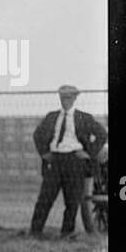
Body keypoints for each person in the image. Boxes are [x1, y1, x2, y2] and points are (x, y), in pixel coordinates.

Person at [30, 84, 108, 236]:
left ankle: (67, 233)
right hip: (55, 160)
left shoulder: (83, 117)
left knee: (72, 201)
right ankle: (35, 232)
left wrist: (88, 153)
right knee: (45, 199)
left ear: (74, 98)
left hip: (75, 161)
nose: (66, 100)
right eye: (63, 97)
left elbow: (102, 134)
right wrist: (44, 153)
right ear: (59, 98)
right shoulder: (51, 117)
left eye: (69, 97)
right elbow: (37, 134)